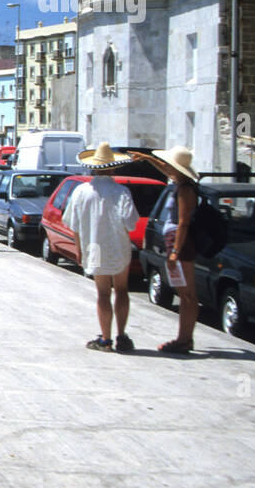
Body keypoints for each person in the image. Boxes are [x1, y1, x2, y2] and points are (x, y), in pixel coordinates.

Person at [64, 143, 139, 352]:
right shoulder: (122, 191)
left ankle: (105, 339)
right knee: (122, 290)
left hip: (94, 246)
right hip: (118, 245)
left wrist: (78, 248)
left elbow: (74, 223)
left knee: (103, 293)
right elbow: (131, 222)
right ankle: (121, 335)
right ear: (113, 168)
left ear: (93, 167)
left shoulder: (81, 191)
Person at [130, 146, 200, 353]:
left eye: (170, 164)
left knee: (187, 295)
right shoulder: (180, 183)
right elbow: (165, 170)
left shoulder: (186, 189)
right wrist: (147, 158)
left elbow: (184, 222)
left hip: (181, 243)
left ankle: (184, 339)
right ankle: (184, 338)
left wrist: (175, 252)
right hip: (176, 242)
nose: (167, 167)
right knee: (184, 292)